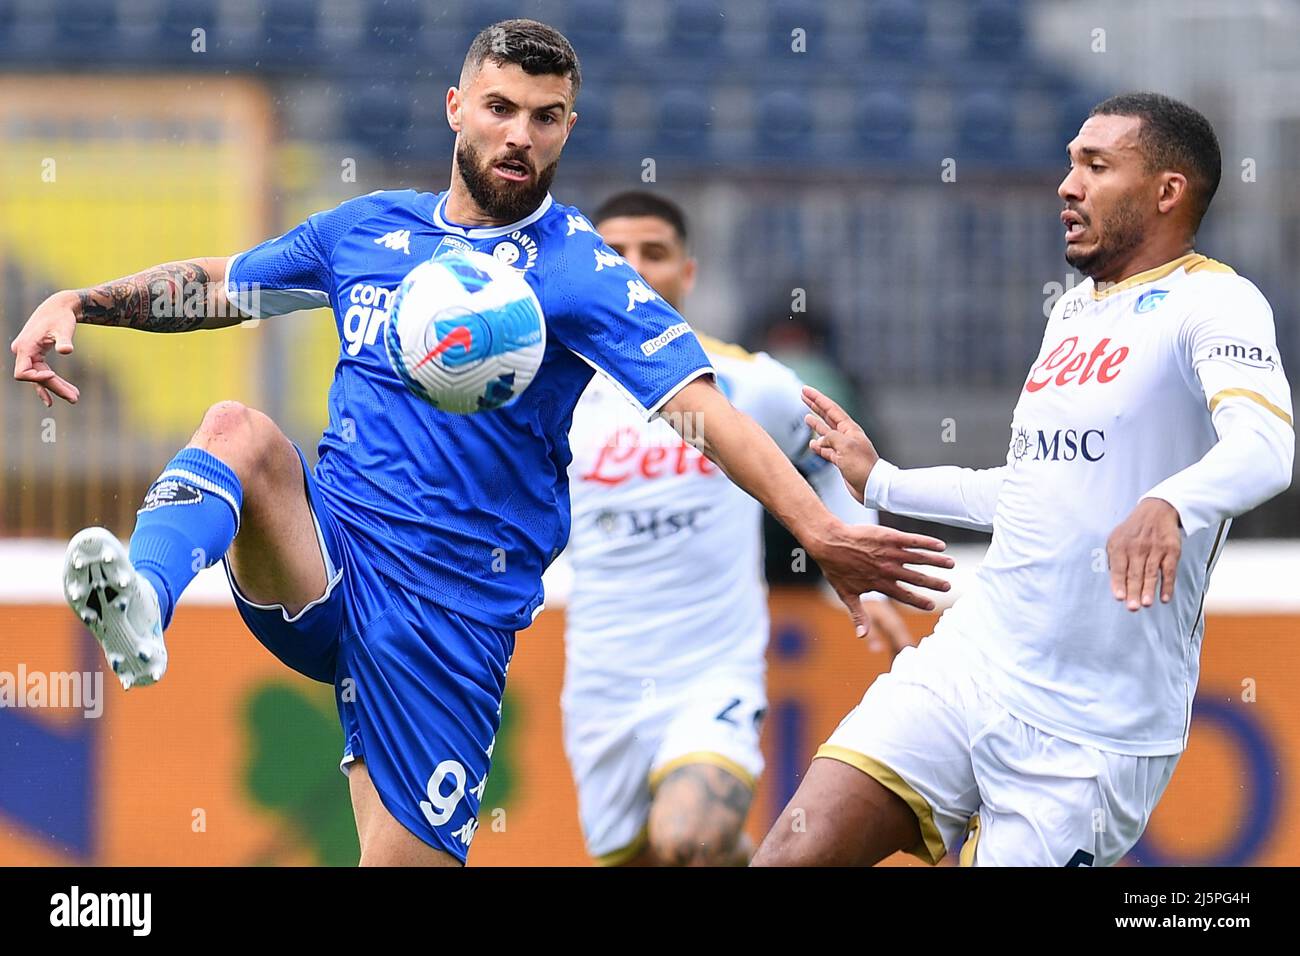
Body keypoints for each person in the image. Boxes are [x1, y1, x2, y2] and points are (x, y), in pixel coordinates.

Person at [11, 19, 952, 867]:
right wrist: (81, 303)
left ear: (567, 129)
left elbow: (703, 409)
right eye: (501, 108)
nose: (520, 135)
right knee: (238, 432)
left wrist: (816, 530)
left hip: (449, 625)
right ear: (457, 107)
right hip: (329, 560)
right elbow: (225, 285)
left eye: (547, 118)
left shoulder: (581, 271)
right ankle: (142, 599)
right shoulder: (367, 231)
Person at [753, 92, 1294, 867]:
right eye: (1071, 162)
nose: (1066, 185)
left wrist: (1172, 499)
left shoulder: (1218, 301)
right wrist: (884, 483)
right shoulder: (1073, 312)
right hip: (971, 665)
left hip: (1091, 733)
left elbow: (1269, 445)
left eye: (1096, 166)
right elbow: (1031, 489)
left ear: (1168, 191)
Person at [562, 191, 914, 866]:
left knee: (688, 836)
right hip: (601, 684)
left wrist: (862, 573)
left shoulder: (744, 383)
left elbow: (832, 457)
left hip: (710, 671)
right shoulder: (555, 395)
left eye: (654, 253)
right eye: (615, 255)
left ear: (687, 274)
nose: (634, 268)